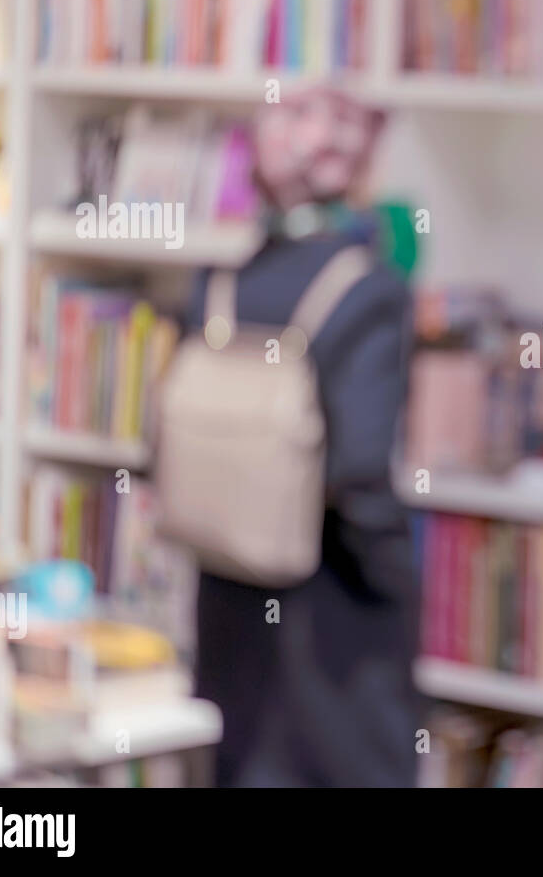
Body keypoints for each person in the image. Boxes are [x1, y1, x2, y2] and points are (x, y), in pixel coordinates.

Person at [187, 88, 420, 786]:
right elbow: (359, 468)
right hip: (332, 621)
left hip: (227, 609)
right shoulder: (370, 290)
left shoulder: (219, 283)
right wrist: (395, 582)